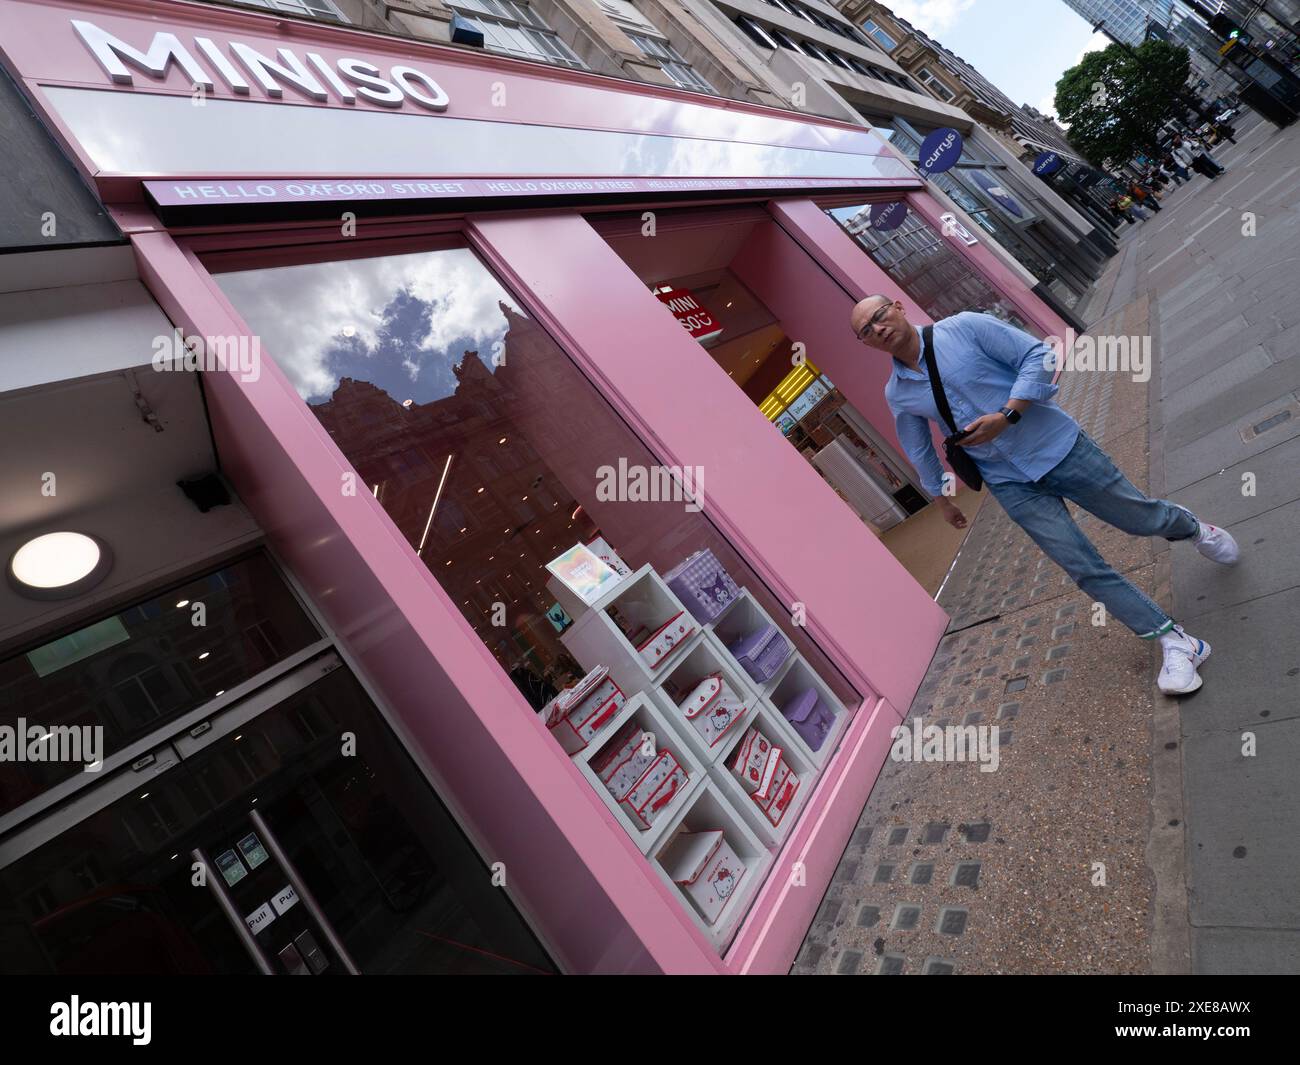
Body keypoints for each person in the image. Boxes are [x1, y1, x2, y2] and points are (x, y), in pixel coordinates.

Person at [849, 295, 1241, 695]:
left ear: (897, 307)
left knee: (1140, 519)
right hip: (1008, 481)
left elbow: (1039, 355)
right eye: (866, 330)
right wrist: (942, 498)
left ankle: (1194, 529)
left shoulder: (964, 327)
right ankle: (1175, 641)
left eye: (879, 316)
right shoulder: (898, 392)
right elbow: (917, 447)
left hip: (1058, 447)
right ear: (866, 343)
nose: (877, 328)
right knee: (1081, 566)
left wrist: (1008, 415)